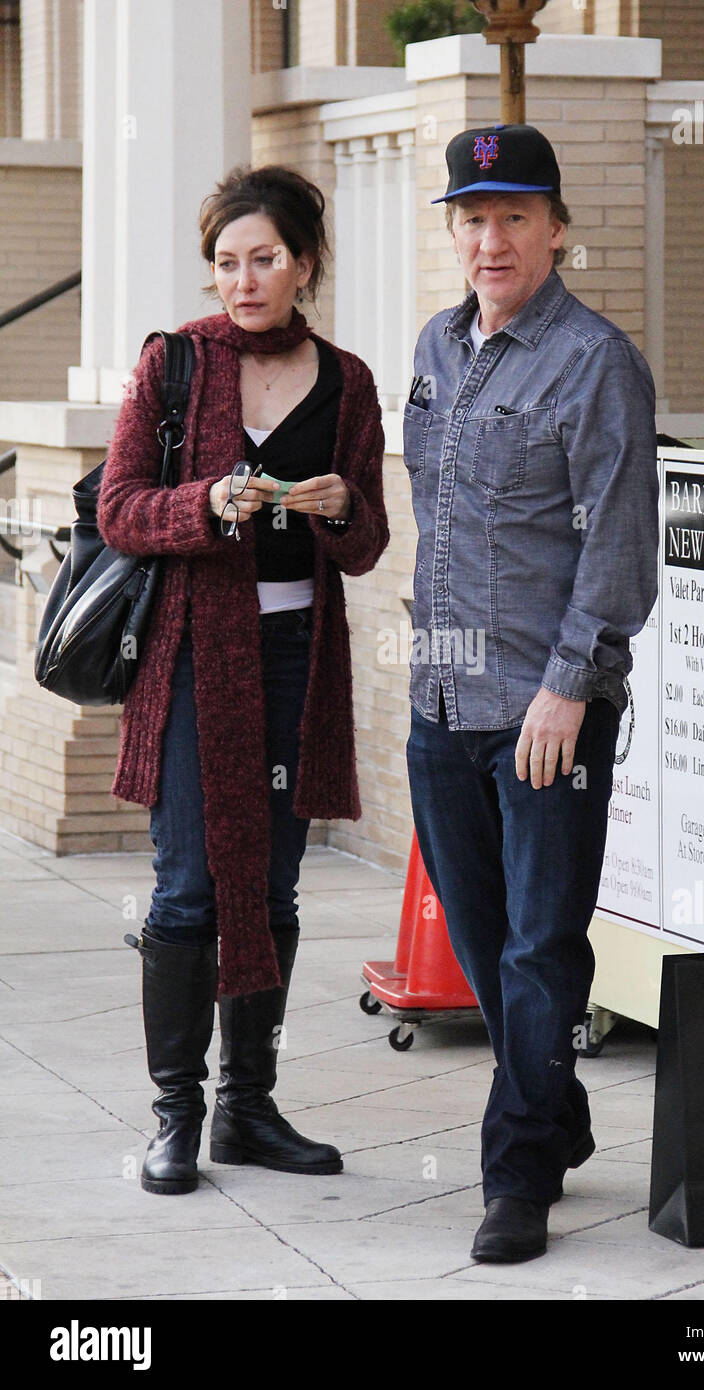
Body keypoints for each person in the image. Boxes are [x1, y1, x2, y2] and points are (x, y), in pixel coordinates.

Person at [98, 164, 388, 1195]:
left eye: (263, 259)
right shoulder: (173, 363)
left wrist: (339, 505)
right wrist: (206, 506)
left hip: (298, 660)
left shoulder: (348, 381)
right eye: (226, 262)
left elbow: (365, 544)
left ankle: (246, 1108)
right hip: (189, 658)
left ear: (304, 263)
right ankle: (174, 1114)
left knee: (271, 885)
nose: (243, 280)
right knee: (186, 891)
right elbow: (120, 507)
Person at [403, 124, 658, 1261]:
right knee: (484, 937)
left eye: (513, 216)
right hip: (441, 704)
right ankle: (554, 1112)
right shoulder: (436, 346)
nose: (490, 238)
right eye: (472, 217)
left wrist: (567, 689)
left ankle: (516, 1176)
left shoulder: (596, 361)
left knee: (537, 950)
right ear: (452, 232)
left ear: (556, 229)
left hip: (547, 708)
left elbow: (618, 548)